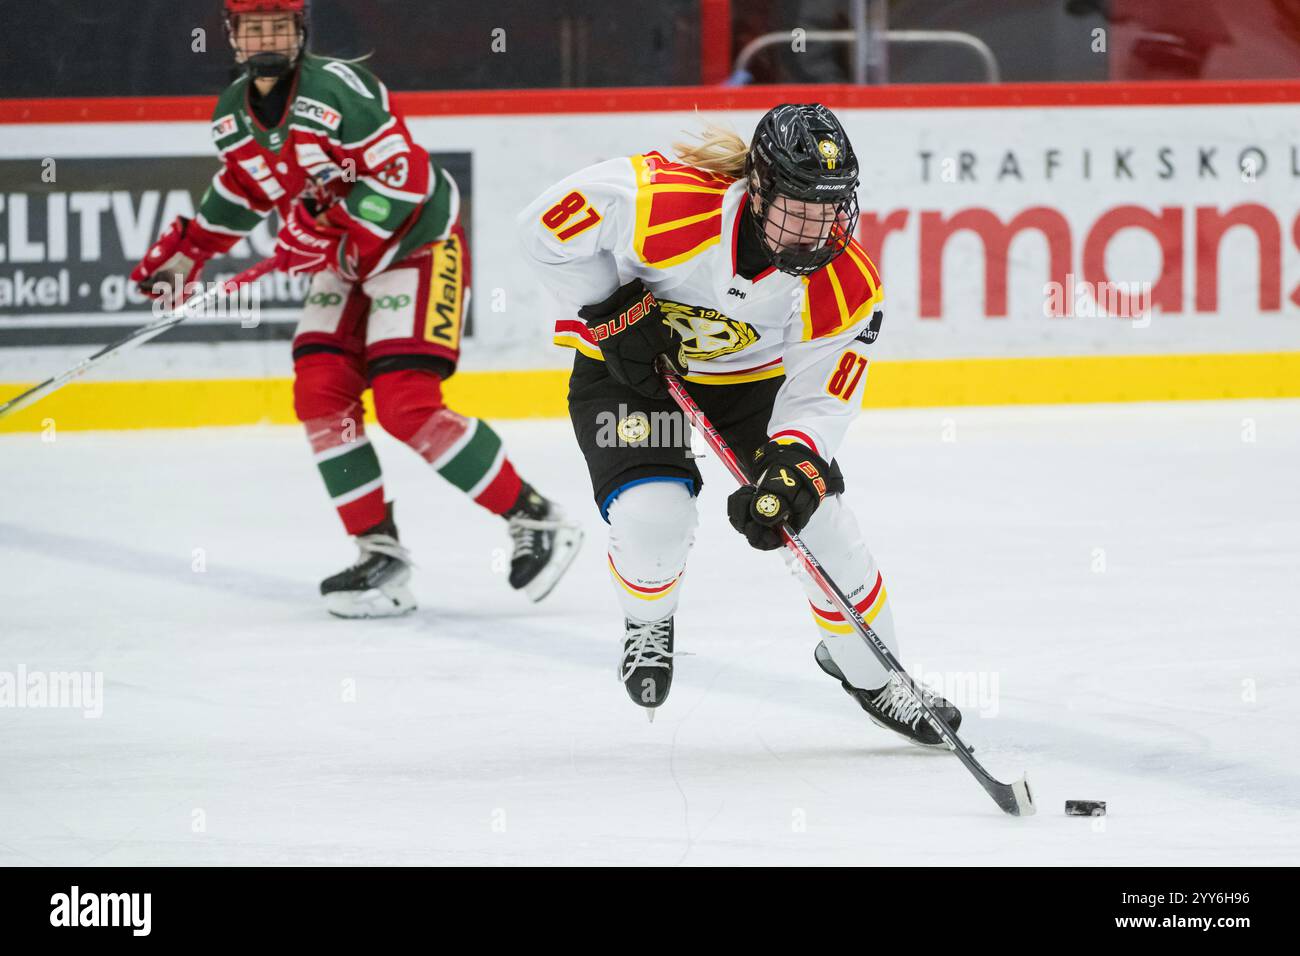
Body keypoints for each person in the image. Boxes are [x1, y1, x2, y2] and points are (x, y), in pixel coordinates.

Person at [518, 103, 961, 744]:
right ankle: (649, 618)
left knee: (822, 524)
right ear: (758, 189)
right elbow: (540, 232)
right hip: (630, 377)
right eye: (800, 208)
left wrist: (796, 460)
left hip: (752, 391)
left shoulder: (846, 283)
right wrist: (611, 308)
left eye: (832, 208)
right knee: (653, 519)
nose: (818, 229)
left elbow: (820, 399)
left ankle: (875, 673)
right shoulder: (660, 202)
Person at [131, 0, 581, 617]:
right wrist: (190, 252)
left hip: (417, 246)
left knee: (405, 404)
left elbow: (405, 179)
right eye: (254, 26)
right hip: (344, 258)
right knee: (319, 392)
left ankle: (536, 518)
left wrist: (335, 229)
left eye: (279, 25)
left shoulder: (341, 88)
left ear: (301, 32)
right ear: (232, 36)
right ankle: (381, 557)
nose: (267, 37)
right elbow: (244, 188)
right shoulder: (233, 113)